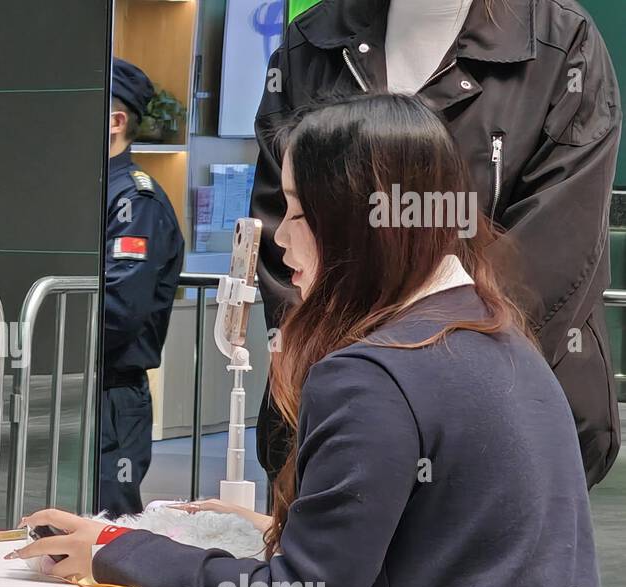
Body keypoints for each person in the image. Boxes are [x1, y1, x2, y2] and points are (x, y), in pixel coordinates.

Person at [15, 94, 626, 587]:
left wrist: (122, 548)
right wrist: (280, 529)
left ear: (360, 222)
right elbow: (457, 548)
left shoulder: (372, 374)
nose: (280, 240)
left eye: (298, 212)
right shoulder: (506, 342)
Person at [251, 0, 622, 494]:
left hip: (504, 405)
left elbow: (554, 244)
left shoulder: (557, 40)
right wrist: (335, 381)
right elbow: (285, 234)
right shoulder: (313, 41)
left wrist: (421, 378)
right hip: (337, 407)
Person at [99, 58, 186, 516]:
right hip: (69, 389)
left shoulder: (136, 199)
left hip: (110, 396)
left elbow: (119, 310)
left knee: (102, 531)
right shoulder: (86, 191)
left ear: (116, 121)